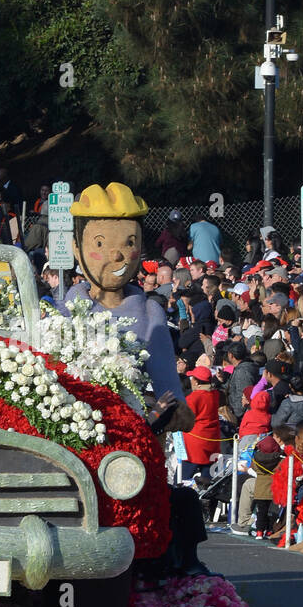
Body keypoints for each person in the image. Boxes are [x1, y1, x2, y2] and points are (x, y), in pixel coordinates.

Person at [59, 183, 191, 428]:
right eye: (99, 244)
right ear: (76, 248)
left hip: (134, 433)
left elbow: (165, 376)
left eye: (129, 243)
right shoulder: (63, 315)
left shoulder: (149, 313)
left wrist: (173, 410)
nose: (117, 255)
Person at [182, 366, 222, 481]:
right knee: (208, 479)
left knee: (182, 478)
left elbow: (186, 419)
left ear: (196, 382)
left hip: (194, 443)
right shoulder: (215, 394)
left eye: (192, 378)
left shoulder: (193, 398)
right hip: (211, 440)